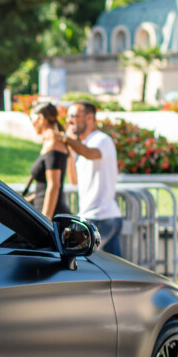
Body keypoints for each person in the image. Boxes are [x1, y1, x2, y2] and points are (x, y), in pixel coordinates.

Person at [63, 100, 123, 256]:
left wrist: (65, 138)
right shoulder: (81, 145)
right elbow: (73, 180)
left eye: (73, 116)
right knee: (116, 269)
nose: (69, 121)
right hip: (92, 216)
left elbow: (90, 154)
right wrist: (70, 146)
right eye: (68, 117)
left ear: (89, 118)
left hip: (102, 217)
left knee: (78, 258)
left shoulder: (101, 140)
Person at [27, 102, 71, 220]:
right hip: (43, 212)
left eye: (32, 118)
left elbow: (54, 185)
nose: (31, 123)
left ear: (41, 118)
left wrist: (46, 221)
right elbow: (43, 187)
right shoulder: (49, 143)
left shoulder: (54, 144)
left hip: (52, 216)